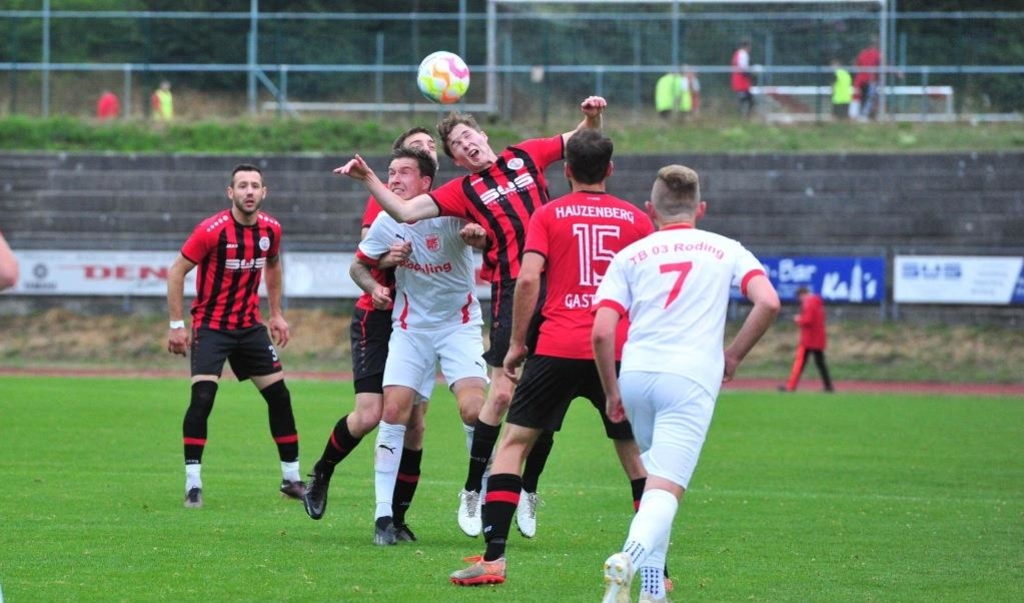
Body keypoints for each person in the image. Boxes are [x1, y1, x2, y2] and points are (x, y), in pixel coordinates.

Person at [334, 95, 607, 540]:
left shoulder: (525, 155)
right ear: (457, 161)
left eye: (469, 137)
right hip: (508, 296)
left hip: (556, 295)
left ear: (483, 137)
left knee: (545, 406)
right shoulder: (462, 193)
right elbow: (403, 212)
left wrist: (592, 116)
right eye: (457, 146)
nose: (466, 145)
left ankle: (528, 488)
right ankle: (472, 490)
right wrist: (367, 177)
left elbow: (582, 142)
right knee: (496, 400)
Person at [449, 129, 655, 586]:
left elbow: (526, 281)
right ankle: (657, 568)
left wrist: (518, 343)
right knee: (635, 458)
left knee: (513, 445)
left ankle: (493, 560)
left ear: (565, 171)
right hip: (615, 351)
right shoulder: (637, 219)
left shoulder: (549, 213)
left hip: (557, 344)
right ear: (610, 169)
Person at [593, 165, 780, 603]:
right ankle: (629, 559)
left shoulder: (632, 254)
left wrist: (611, 390)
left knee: (657, 481)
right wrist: (732, 356)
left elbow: (602, 331)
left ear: (649, 209)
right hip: (689, 377)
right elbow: (768, 301)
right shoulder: (726, 248)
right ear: (700, 208)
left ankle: (653, 593)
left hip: (637, 374)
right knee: (665, 489)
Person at [301, 127, 438, 542]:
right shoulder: (385, 199)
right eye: (417, 145)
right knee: (370, 415)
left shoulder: (443, 204)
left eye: (430, 145)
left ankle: (396, 518)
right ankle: (322, 471)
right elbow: (366, 252)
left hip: (420, 321)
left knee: (414, 422)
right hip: (377, 317)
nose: (425, 148)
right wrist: (388, 264)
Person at [166, 163, 305, 508]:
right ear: (231, 193)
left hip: (248, 327)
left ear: (263, 193)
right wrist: (176, 324)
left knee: (280, 397)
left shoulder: (271, 229)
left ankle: (291, 478)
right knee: (203, 399)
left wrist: (275, 313)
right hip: (211, 326)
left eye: (254, 186)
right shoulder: (211, 231)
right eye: (241, 186)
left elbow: (273, 264)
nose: (248, 191)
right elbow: (177, 271)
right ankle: (193, 483)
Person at [781, 286, 834, 393]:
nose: (800, 300)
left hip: (808, 340)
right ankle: (828, 386)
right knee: (821, 364)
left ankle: (791, 386)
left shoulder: (809, 303)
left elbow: (807, 320)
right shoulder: (817, 302)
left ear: (802, 294)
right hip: (818, 339)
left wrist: (798, 319)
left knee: (799, 363)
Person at [853, 36, 881, 120]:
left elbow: (856, 64)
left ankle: (861, 114)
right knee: (869, 97)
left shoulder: (863, 53)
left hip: (862, 79)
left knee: (865, 97)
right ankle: (864, 114)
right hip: (869, 79)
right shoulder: (877, 54)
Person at [731, 38, 755, 119]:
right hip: (741, 82)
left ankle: (742, 117)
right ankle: (743, 118)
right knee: (747, 100)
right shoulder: (743, 55)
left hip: (738, 81)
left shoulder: (737, 54)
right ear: (747, 46)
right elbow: (743, 69)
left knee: (746, 100)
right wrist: (751, 74)